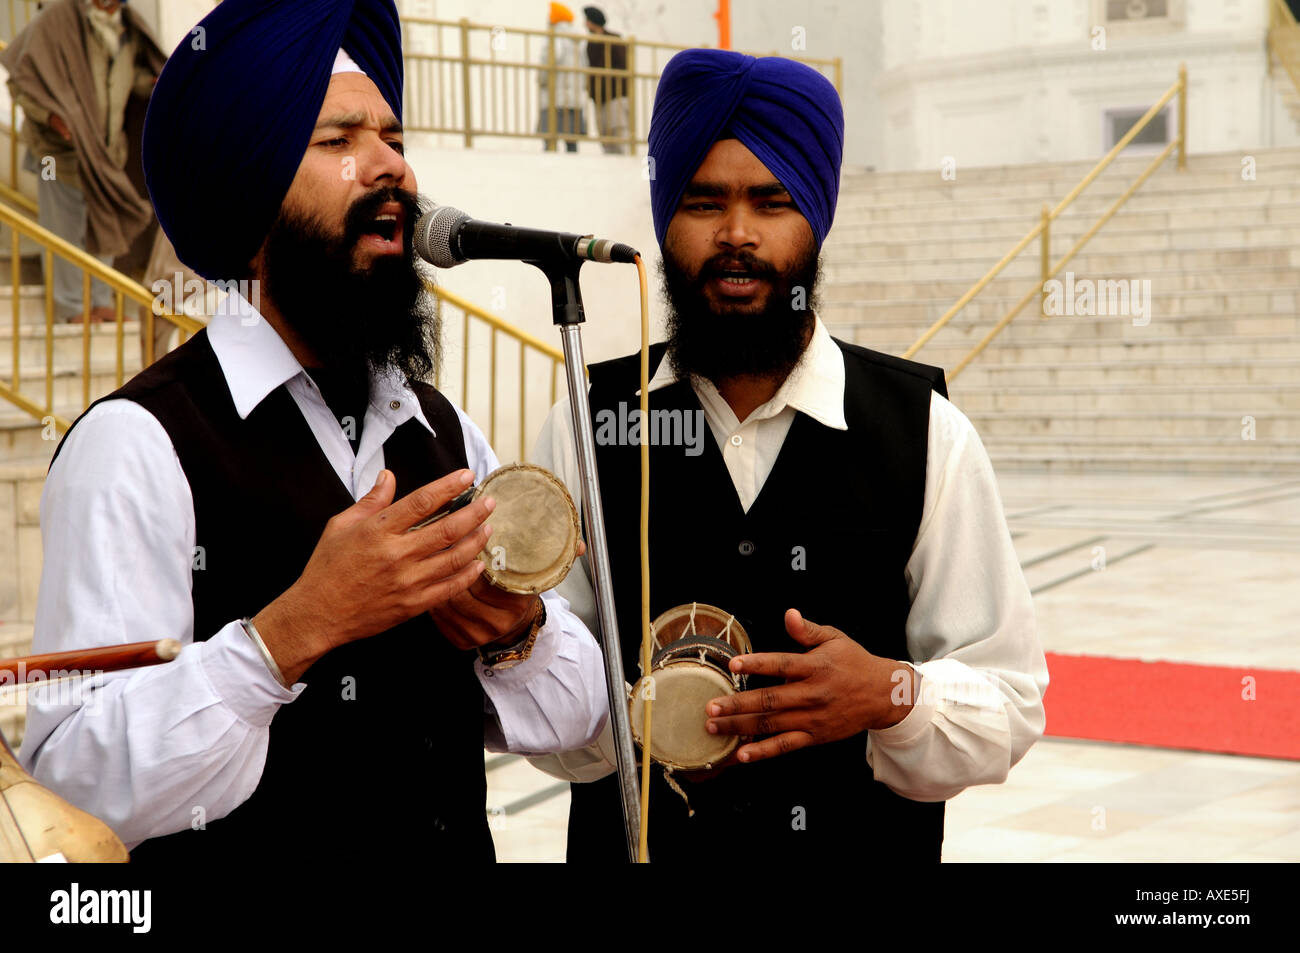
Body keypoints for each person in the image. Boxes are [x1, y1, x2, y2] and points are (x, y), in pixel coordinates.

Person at [19, 0, 608, 865]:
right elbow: (72, 784)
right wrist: (289, 633)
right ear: (249, 190)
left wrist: (515, 629)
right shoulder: (138, 444)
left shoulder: (439, 427)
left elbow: (580, 725)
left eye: (394, 140)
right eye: (339, 143)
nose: (392, 170)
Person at [531, 49, 1049, 862]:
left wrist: (889, 695)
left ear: (816, 219)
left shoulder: (924, 432)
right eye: (705, 202)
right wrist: (594, 689)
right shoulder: (588, 422)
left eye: (771, 202)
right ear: (667, 221)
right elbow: (539, 719)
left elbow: (1010, 705)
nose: (737, 235)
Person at [1, 0, 163, 323]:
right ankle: (72, 308)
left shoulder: (129, 27)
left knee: (108, 222)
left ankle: (101, 301)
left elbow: (136, 78)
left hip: (105, 155)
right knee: (63, 231)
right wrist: (51, 117)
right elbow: (21, 82)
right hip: (59, 154)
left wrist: (159, 84)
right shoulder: (58, 19)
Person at [537, 2, 586, 152]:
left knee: (551, 137)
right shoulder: (577, 40)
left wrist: (542, 78)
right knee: (571, 139)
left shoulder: (555, 36)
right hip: (574, 98)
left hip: (556, 96)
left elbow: (550, 59)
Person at [582, 6, 629, 154]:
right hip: (599, 97)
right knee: (604, 135)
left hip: (616, 95)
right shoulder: (591, 43)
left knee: (618, 131)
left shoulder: (614, 39)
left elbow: (622, 66)